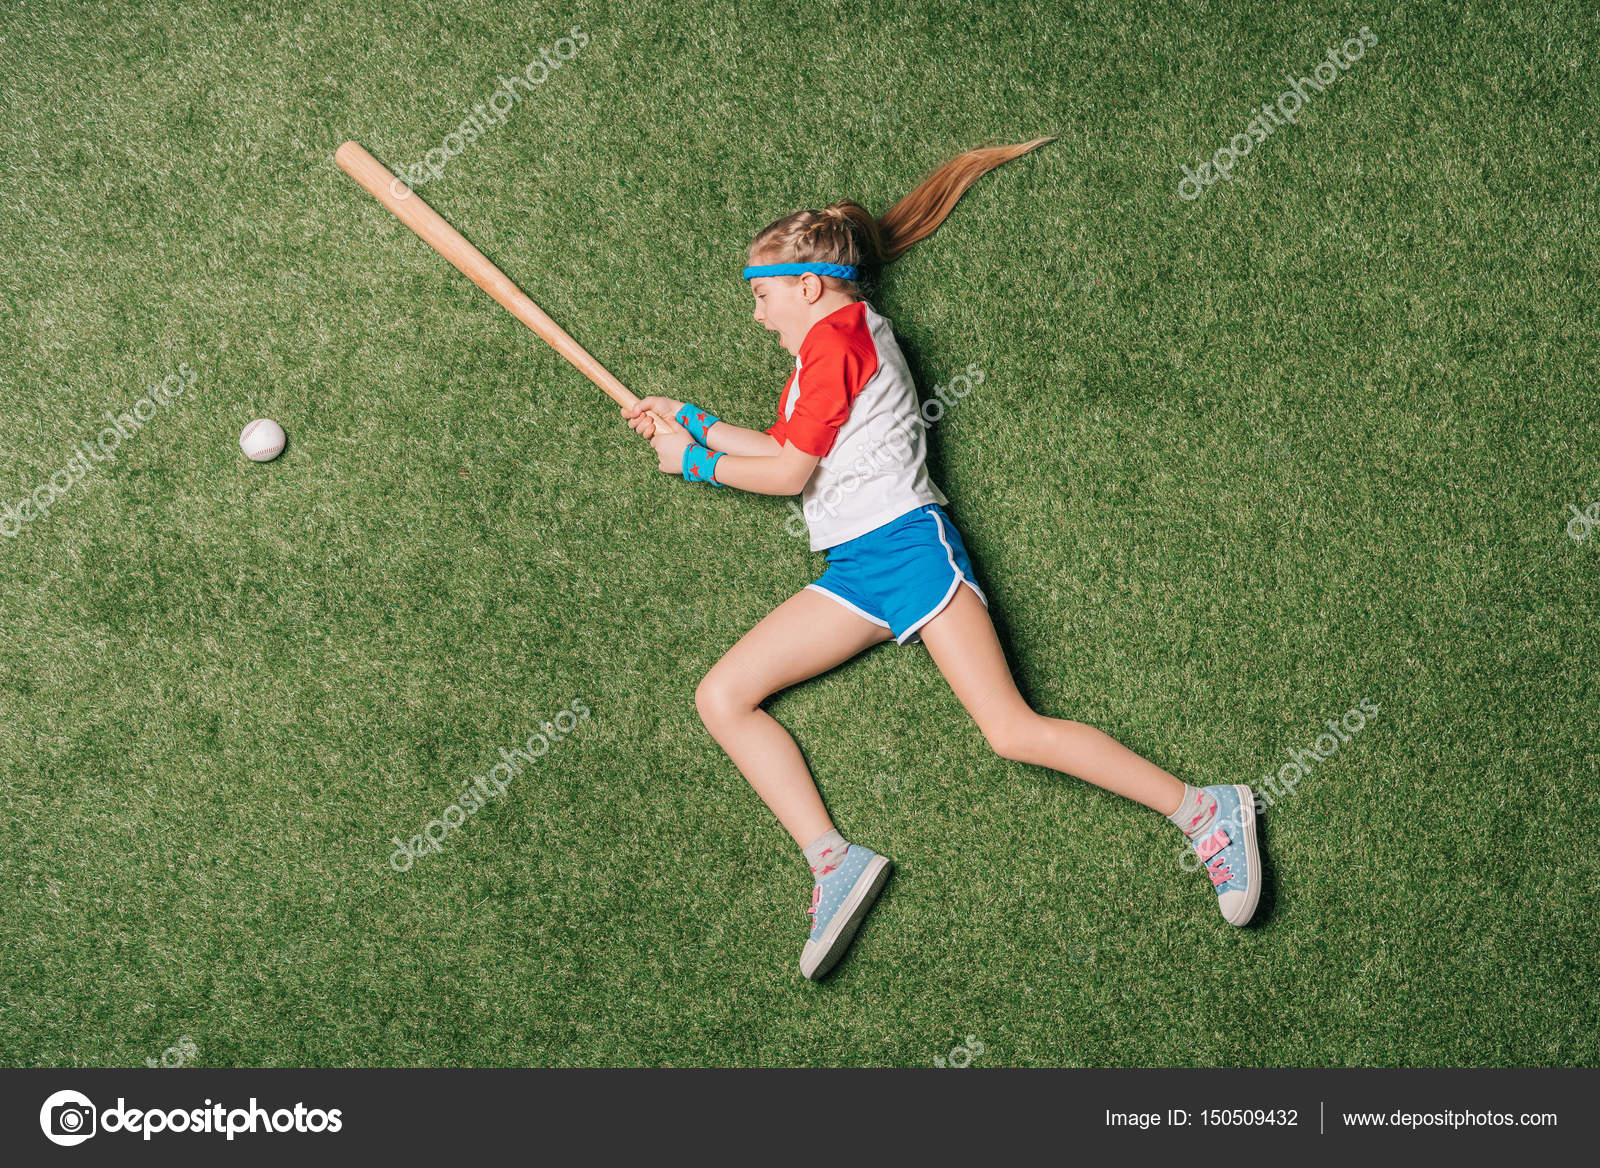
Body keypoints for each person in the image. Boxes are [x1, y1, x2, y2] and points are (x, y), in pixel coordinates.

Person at [623, 138, 1261, 980]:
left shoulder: (840, 339)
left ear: (807, 285)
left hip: (907, 549)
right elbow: (785, 443)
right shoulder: (829, 347)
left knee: (1010, 730)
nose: (758, 314)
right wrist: (694, 421)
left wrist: (694, 463)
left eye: (765, 295)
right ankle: (832, 862)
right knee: (723, 696)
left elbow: (785, 474)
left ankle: (1207, 812)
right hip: (857, 569)